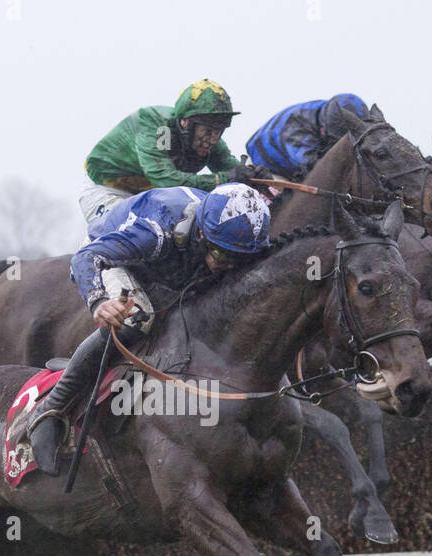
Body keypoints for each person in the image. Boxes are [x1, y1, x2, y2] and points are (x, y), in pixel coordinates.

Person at [28, 182, 272, 474]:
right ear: (202, 233)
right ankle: (50, 409)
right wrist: (99, 303)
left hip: (168, 264)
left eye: (237, 259)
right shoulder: (155, 233)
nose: (224, 265)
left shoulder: (235, 236)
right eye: (220, 256)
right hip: (109, 257)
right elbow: (88, 258)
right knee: (138, 318)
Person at [79, 79, 270, 224]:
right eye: (208, 130)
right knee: (132, 233)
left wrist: (254, 176)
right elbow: (165, 180)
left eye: (219, 131)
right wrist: (223, 180)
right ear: (186, 122)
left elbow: (234, 171)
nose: (213, 139)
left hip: (149, 196)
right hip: (107, 192)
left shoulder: (210, 141)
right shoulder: (154, 124)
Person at [245, 93, 369, 182]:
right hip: (268, 168)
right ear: (324, 128)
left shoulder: (330, 109)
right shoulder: (297, 132)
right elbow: (317, 172)